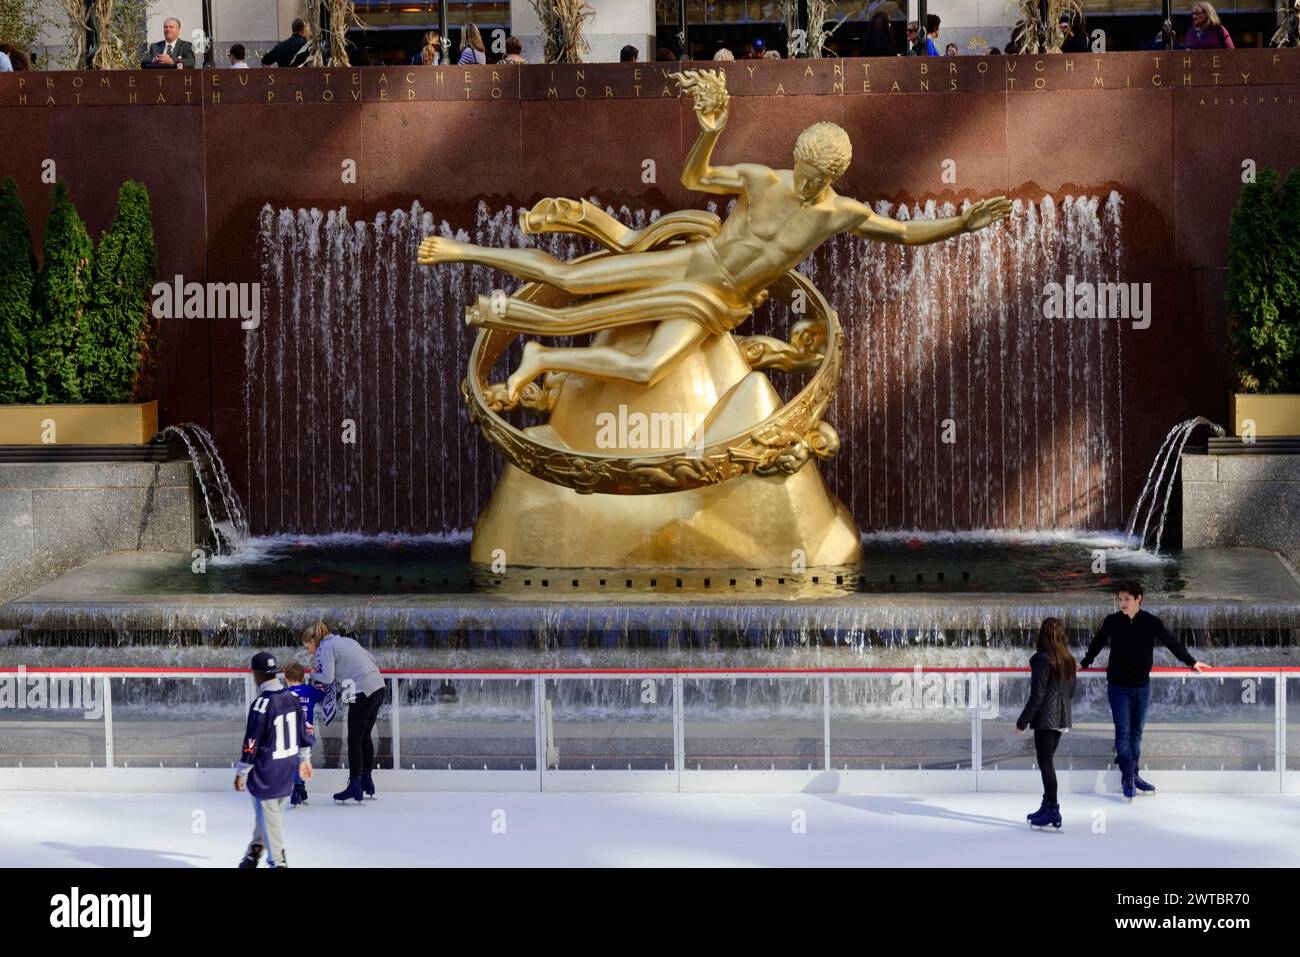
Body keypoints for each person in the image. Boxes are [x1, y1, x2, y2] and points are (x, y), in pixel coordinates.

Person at [418, 69, 1011, 396]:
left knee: (649, 369)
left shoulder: (841, 213)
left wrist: (962, 221)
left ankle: (542, 355)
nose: (799, 182)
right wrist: (710, 129)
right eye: (798, 169)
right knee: (573, 279)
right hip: (691, 263)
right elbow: (694, 175)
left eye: (811, 178)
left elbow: (904, 234)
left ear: (831, 176)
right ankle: (463, 252)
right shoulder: (761, 179)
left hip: (716, 302)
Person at [1080, 580, 1211, 800]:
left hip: (1141, 687)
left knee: (1136, 734)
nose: (1122, 603)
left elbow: (1172, 643)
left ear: (1138, 598)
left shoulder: (1150, 622)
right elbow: (1097, 643)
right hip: (1118, 687)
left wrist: (1191, 662)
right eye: (1120, 599)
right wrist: (1084, 663)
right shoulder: (1112, 621)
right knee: (1122, 732)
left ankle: (1133, 773)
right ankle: (1128, 777)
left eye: (1126, 599)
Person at [235, 652, 313, 868]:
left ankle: (277, 861)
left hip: (266, 774)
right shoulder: (292, 698)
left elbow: (251, 743)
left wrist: (242, 772)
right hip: (286, 772)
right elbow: (304, 734)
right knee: (270, 816)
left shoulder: (261, 705)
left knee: (270, 821)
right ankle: (254, 851)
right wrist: (305, 760)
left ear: (257, 675)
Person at [301, 622, 386, 803]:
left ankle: (355, 786)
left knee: (354, 739)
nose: (309, 651)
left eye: (308, 647)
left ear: (313, 641)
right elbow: (372, 658)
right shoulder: (344, 640)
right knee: (364, 736)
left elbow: (328, 677)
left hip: (362, 690)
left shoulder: (326, 648)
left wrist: (311, 674)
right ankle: (367, 782)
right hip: (378, 686)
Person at [1016, 619, 1076, 831]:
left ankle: (1053, 809)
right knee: (1047, 762)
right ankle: (1046, 805)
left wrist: (1023, 720)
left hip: (1046, 719)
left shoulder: (1043, 659)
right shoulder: (1068, 659)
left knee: (1046, 764)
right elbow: (1072, 691)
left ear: (1042, 635)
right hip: (1062, 718)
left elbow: (1037, 695)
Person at [283, 661, 325, 807]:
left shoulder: (285, 694)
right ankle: (301, 789)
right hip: (307, 735)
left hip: (291, 735)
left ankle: (297, 789)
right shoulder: (309, 690)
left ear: (286, 679)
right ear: (302, 678)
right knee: (303, 761)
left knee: (295, 763)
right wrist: (318, 681)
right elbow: (322, 693)